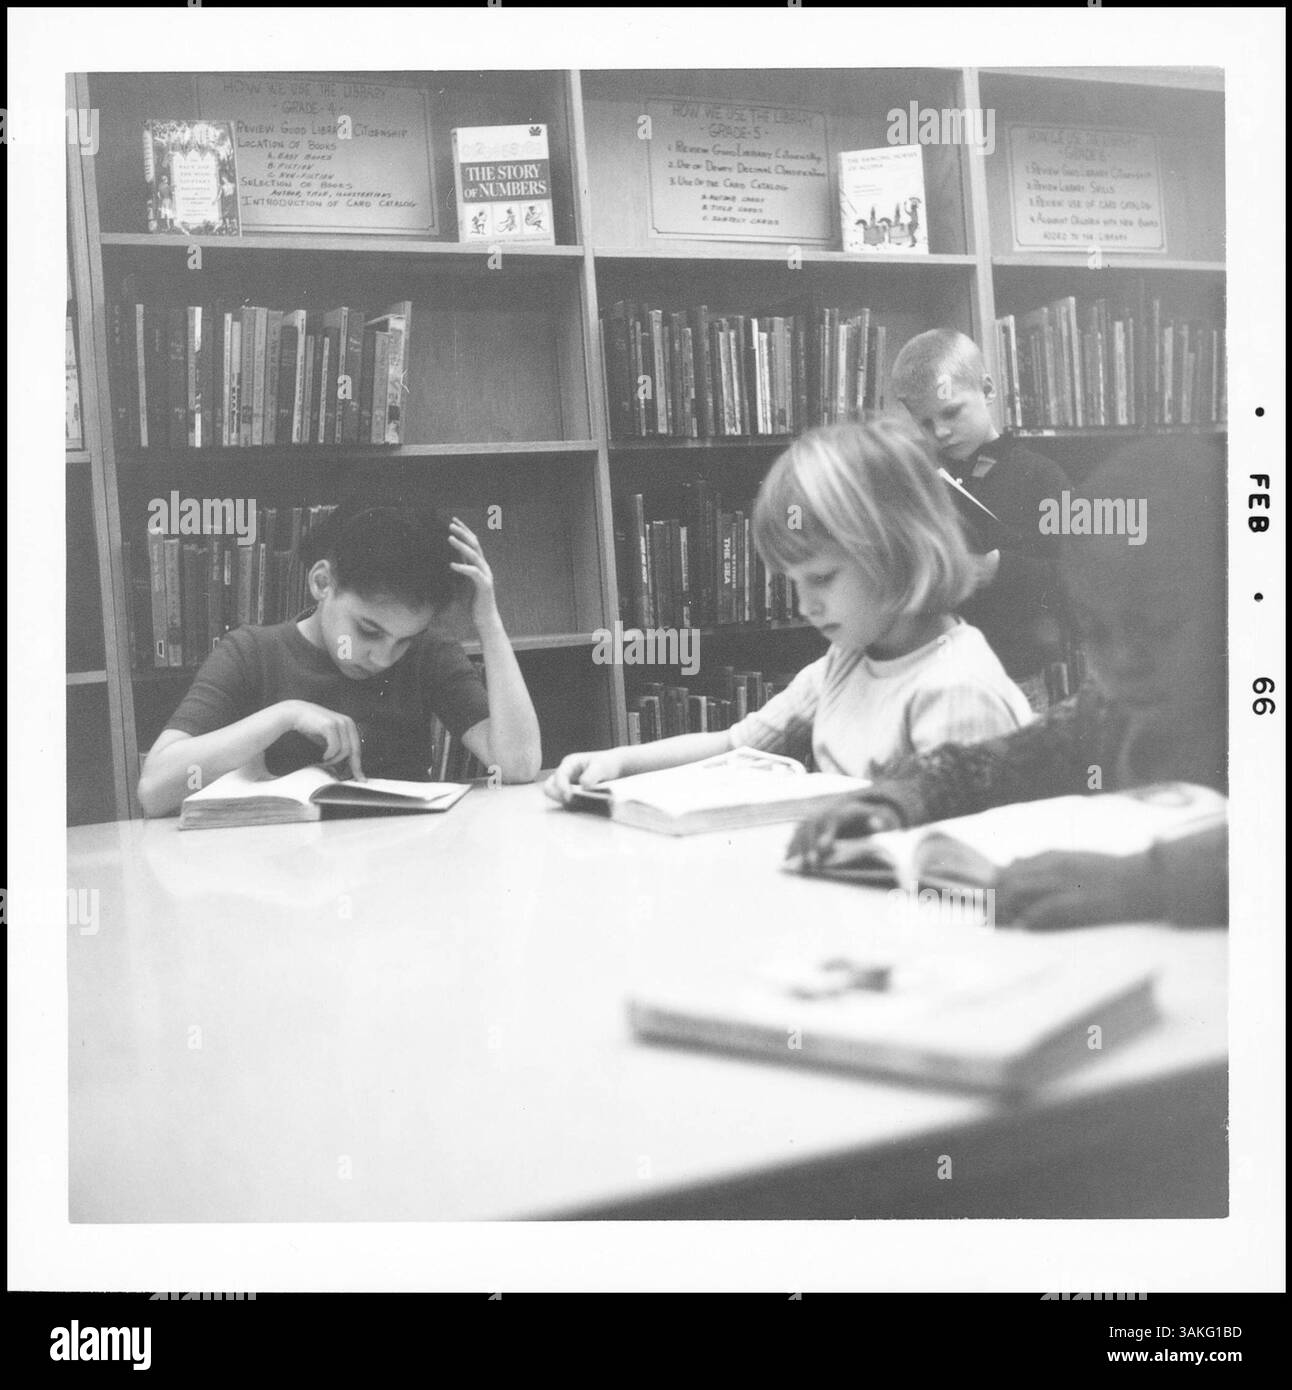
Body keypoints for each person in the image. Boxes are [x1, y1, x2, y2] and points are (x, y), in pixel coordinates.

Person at [788, 438, 1227, 928]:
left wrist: (1143, 882)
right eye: (1094, 630)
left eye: (1159, 626)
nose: (1123, 659)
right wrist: (894, 798)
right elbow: (993, 763)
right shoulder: (1109, 710)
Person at [546, 419, 1033, 803]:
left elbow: (954, 862)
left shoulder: (956, 690)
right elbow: (738, 745)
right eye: (793, 583)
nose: (804, 606)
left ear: (900, 553)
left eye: (821, 578)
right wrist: (618, 763)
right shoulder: (851, 658)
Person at [137, 496, 542, 816]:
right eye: (369, 630)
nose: (384, 657)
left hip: (404, 875)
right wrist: (286, 715)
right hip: (285, 884)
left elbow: (519, 765)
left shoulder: (428, 653)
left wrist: (488, 622)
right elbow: (154, 790)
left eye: (404, 640)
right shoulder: (252, 653)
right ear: (322, 582)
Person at [891, 327, 1073, 682]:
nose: (940, 432)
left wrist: (1000, 569)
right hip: (933, 674)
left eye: (951, 412)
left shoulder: (1040, 476)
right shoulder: (922, 478)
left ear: (987, 390)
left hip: (1016, 675)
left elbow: (1086, 577)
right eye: (925, 423)